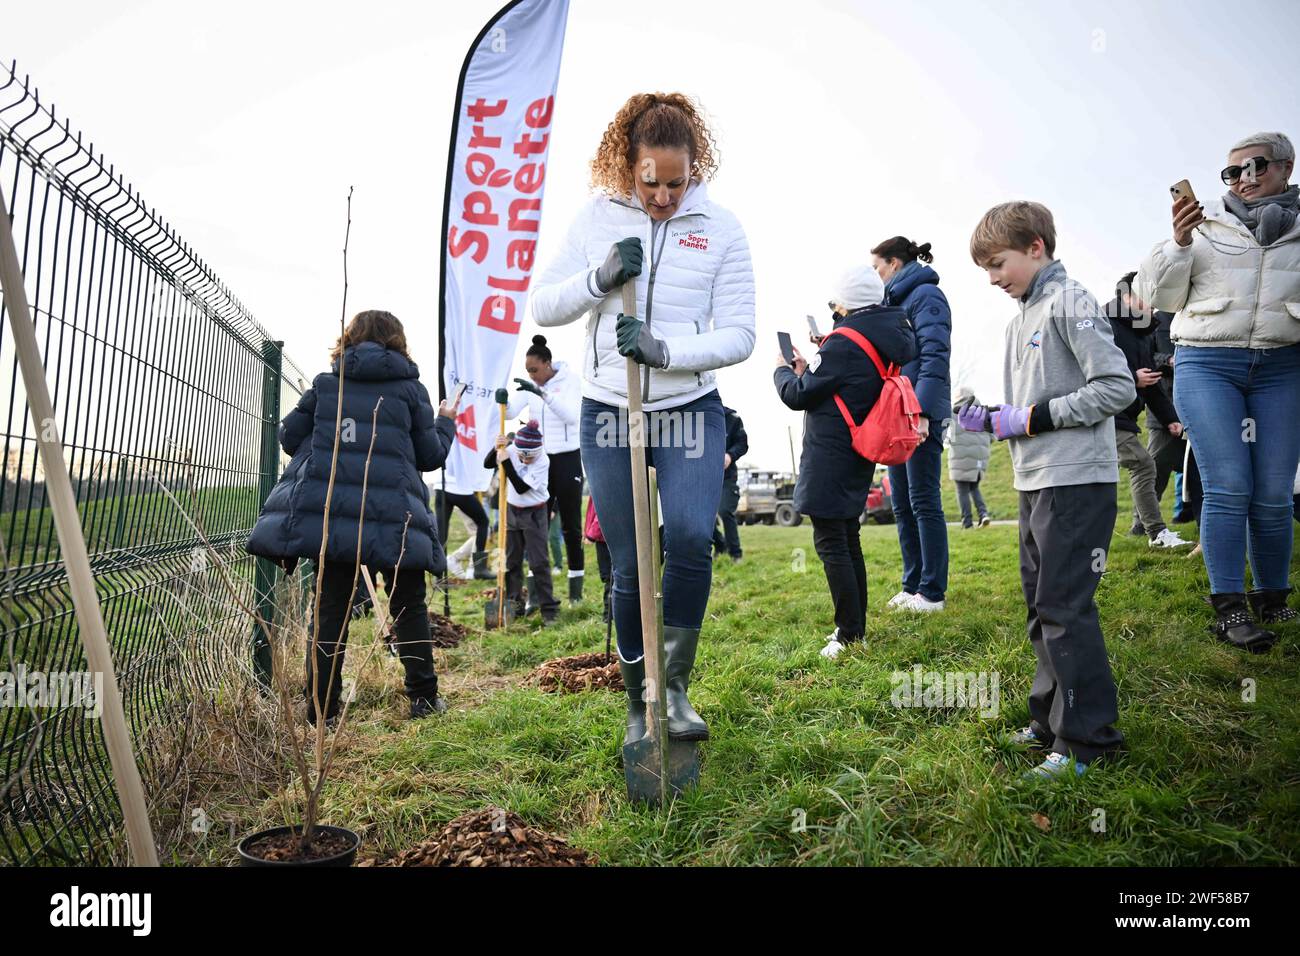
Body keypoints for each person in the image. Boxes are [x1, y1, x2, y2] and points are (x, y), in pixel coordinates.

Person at [530, 91, 756, 745]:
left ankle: (676, 690)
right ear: (629, 167)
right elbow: (544, 307)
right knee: (629, 563)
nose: (662, 197)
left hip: (689, 407)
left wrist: (666, 351)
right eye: (650, 182)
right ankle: (640, 704)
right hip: (611, 408)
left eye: (676, 184)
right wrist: (599, 279)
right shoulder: (597, 218)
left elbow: (738, 333)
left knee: (688, 537)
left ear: (695, 169)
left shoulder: (722, 228)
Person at [964, 201, 1135, 779]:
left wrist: (1033, 418)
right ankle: (1048, 719)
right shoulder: (1019, 318)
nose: (992, 278)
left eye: (997, 263)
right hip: (1035, 481)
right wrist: (991, 417)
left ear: (1035, 246)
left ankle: (1087, 740)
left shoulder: (1072, 303)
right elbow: (1026, 406)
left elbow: (1116, 388)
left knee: (1066, 608)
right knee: (1042, 608)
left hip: (1076, 481)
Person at [248, 309, 455, 722]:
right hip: (397, 519)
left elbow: (289, 438)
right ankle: (424, 700)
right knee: (408, 607)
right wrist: (445, 423)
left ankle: (321, 709)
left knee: (329, 613)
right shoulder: (411, 390)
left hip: (333, 517)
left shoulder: (327, 386)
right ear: (398, 341)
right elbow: (431, 457)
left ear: (350, 339)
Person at [1136, 131, 1300, 649]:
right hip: (1209, 364)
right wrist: (1178, 245)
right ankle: (1229, 608)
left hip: (1283, 366)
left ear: (1285, 166)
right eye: (1232, 172)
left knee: (1274, 493)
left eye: (1255, 166)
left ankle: (1274, 598)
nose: (1243, 179)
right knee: (1229, 485)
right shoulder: (1203, 229)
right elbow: (1157, 298)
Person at [775, 265, 917, 659]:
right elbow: (841, 376)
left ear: (846, 302)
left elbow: (798, 395)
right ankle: (855, 628)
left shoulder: (843, 343)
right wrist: (820, 359)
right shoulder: (886, 333)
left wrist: (781, 370)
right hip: (858, 450)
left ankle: (849, 633)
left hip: (831, 453)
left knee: (832, 544)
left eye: (836, 302)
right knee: (848, 540)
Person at [872, 237, 951, 613]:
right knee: (901, 504)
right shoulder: (894, 303)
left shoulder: (926, 297)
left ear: (895, 264)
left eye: (878, 268)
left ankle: (933, 592)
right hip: (895, 414)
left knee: (923, 501)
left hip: (918, 414)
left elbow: (935, 356)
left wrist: (921, 411)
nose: (876, 275)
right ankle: (913, 584)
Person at [1103, 273, 1192, 549]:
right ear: (1127, 296)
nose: (1153, 303)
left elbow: (1151, 383)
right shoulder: (1103, 324)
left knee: (1141, 467)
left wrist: (1171, 420)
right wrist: (1132, 377)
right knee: (1143, 465)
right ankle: (1155, 533)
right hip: (1103, 413)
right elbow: (1091, 370)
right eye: (1148, 296)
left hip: (1124, 415)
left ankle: (1151, 532)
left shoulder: (1143, 331)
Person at [507, 335, 585, 605]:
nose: (531, 375)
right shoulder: (531, 385)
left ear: (548, 364)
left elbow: (571, 416)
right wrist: (502, 399)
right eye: (527, 371)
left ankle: (576, 591)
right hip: (540, 462)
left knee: (571, 526)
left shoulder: (571, 381)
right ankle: (536, 592)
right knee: (535, 525)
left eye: (534, 370)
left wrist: (544, 394)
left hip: (567, 459)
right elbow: (510, 411)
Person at [483, 420, 558, 624]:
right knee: (512, 562)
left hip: (535, 512)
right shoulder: (512, 448)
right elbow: (488, 463)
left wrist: (506, 462)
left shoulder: (543, 460)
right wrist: (497, 447)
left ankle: (549, 610)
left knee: (539, 562)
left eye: (529, 456)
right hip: (512, 512)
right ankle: (514, 607)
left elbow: (521, 487)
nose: (525, 459)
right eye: (522, 454)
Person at [945, 384, 991, 529]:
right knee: (974, 488)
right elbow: (992, 435)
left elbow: (948, 436)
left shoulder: (953, 413)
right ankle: (983, 514)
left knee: (962, 490)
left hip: (960, 458)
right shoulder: (983, 413)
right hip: (979, 459)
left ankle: (967, 523)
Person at [712, 405, 748, 561]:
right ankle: (720, 546)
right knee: (700, 516)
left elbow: (743, 444)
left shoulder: (732, 420)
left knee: (725, 511)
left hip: (727, 477)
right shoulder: (697, 419)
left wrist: (730, 455)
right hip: (703, 476)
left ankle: (735, 554)